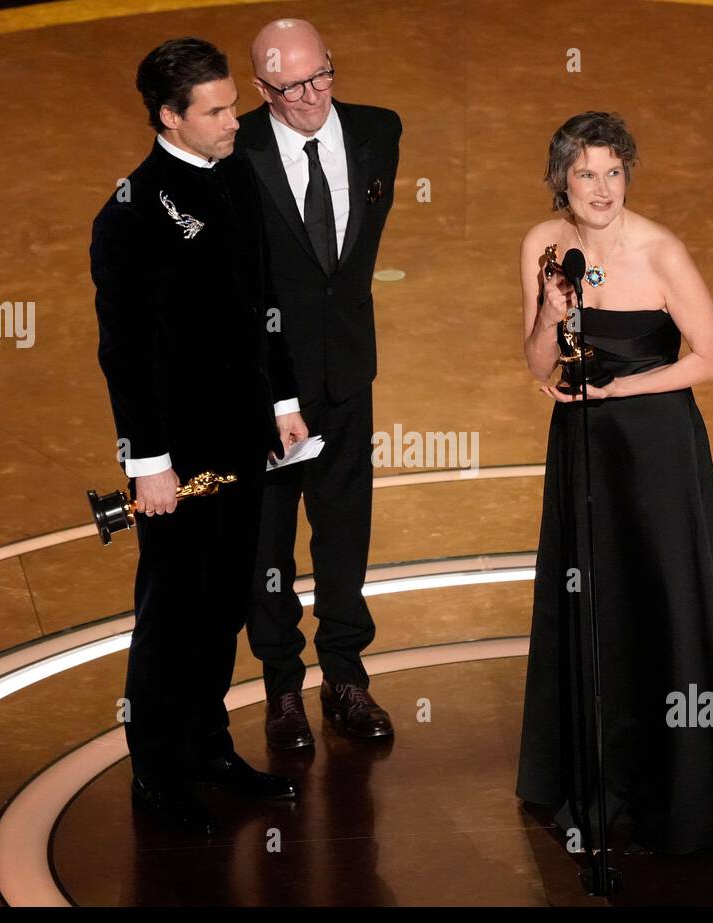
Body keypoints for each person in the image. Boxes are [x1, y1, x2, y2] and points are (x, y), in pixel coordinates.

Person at [514, 111, 713, 855]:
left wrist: (617, 392)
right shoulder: (543, 246)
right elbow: (538, 367)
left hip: (657, 447)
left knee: (671, 596)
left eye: (614, 171)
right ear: (561, 180)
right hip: (582, 449)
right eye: (586, 173)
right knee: (596, 602)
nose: (602, 188)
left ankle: (691, 781)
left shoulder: (661, 250)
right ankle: (604, 776)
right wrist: (552, 314)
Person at [90, 37, 311, 833]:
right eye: (215, 110)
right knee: (174, 609)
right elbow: (124, 353)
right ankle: (158, 770)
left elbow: (266, 302)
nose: (234, 120)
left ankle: (210, 747)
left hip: (245, 439)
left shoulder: (240, 178)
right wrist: (147, 464)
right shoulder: (129, 214)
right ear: (168, 117)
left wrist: (282, 400)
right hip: (176, 458)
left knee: (224, 602)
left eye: (232, 104)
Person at [234, 18, 402, 749]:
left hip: (346, 376)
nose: (313, 96)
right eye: (292, 87)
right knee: (265, 547)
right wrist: (273, 397)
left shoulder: (379, 132)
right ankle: (281, 690)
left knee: (343, 534)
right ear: (261, 89)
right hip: (264, 391)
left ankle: (345, 676)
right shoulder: (233, 153)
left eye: (322, 75)